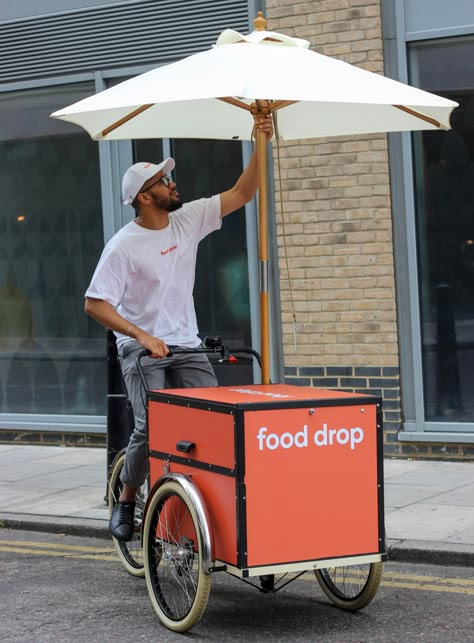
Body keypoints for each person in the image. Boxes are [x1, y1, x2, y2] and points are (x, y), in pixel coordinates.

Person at [84, 114, 273, 541]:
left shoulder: (188, 219)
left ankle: (199, 504)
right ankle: (128, 497)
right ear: (144, 198)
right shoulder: (122, 247)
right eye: (163, 184)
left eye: (170, 180)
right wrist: (141, 335)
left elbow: (244, 191)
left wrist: (261, 138)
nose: (173, 185)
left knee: (213, 419)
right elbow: (95, 304)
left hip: (185, 343)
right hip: (140, 348)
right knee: (151, 426)